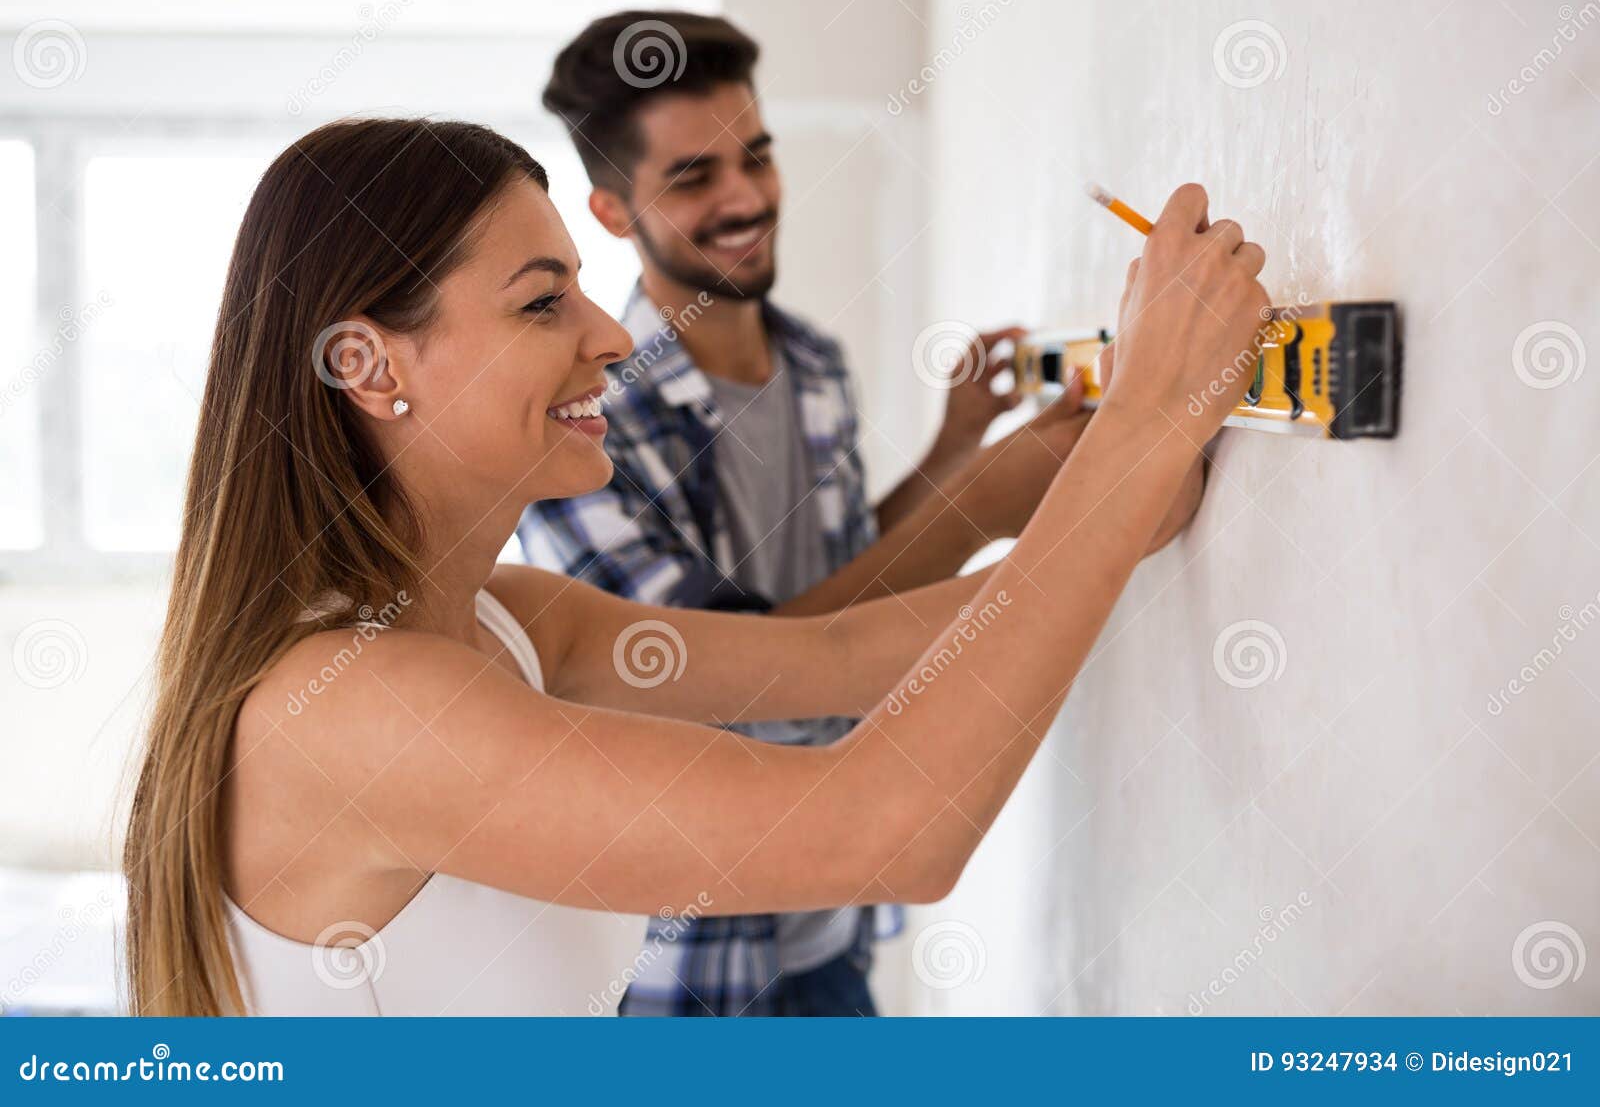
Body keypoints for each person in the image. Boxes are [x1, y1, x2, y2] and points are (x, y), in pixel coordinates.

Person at [120, 115, 1267, 1016]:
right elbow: (885, 830)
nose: (612, 334)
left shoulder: (514, 623)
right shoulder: (356, 707)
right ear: (371, 367)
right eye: (542, 301)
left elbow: (841, 652)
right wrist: (1140, 426)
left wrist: (1104, 493)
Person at [520, 11, 1206, 1015]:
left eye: (756, 156)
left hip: (831, 935)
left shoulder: (813, 362)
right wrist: (981, 502)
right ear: (614, 213)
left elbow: (851, 575)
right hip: (687, 969)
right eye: (695, 178)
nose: (746, 197)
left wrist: (953, 449)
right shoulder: (587, 421)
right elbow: (735, 675)